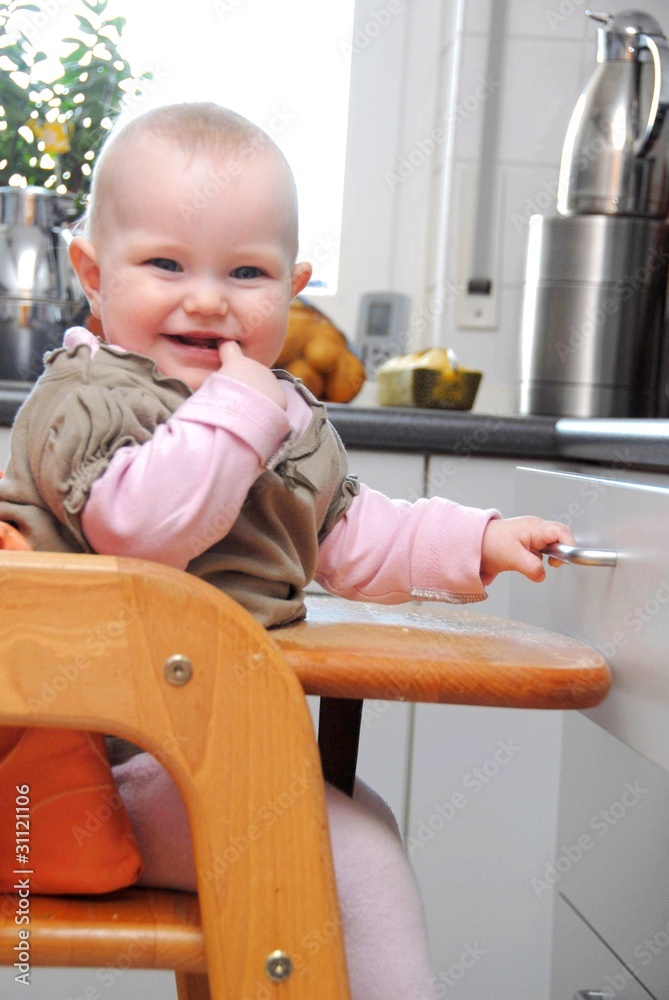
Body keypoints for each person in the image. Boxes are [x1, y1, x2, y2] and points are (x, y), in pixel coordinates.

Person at [0, 102, 574, 999]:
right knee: (353, 859)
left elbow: (351, 532)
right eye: (165, 264)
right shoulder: (86, 401)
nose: (207, 299)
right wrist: (241, 408)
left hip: (198, 744)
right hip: (79, 770)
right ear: (93, 275)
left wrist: (475, 541)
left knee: (363, 820)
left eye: (246, 272)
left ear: (292, 288)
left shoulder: (277, 418)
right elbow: (142, 527)